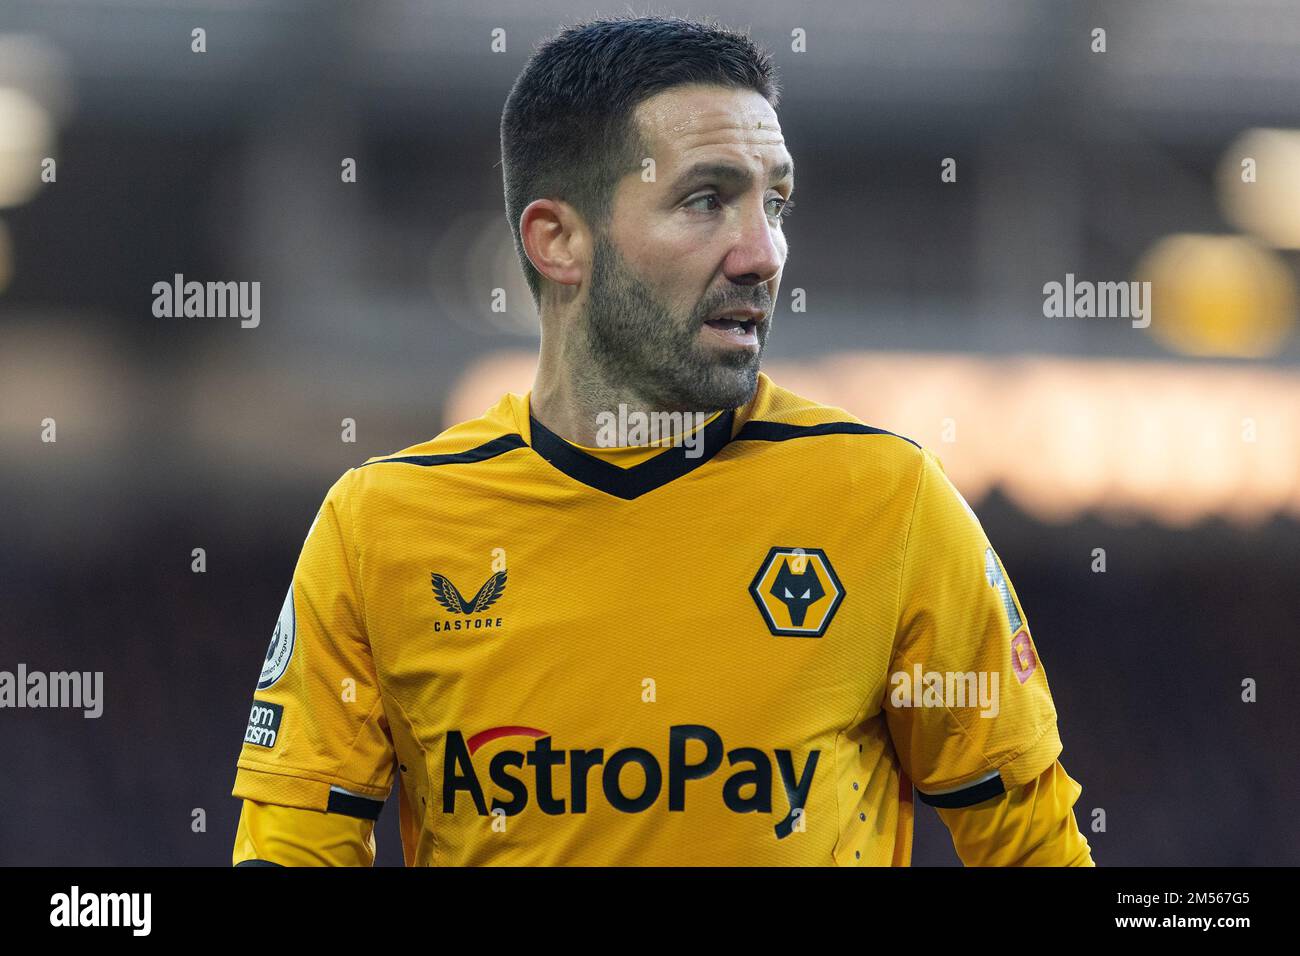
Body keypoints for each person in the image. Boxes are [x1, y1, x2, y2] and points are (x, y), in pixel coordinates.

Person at [231, 14, 1093, 866]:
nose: (763, 254)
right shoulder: (382, 528)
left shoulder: (887, 502)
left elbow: (1035, 851)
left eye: (776, 203)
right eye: (706, 200)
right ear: (558, 240)